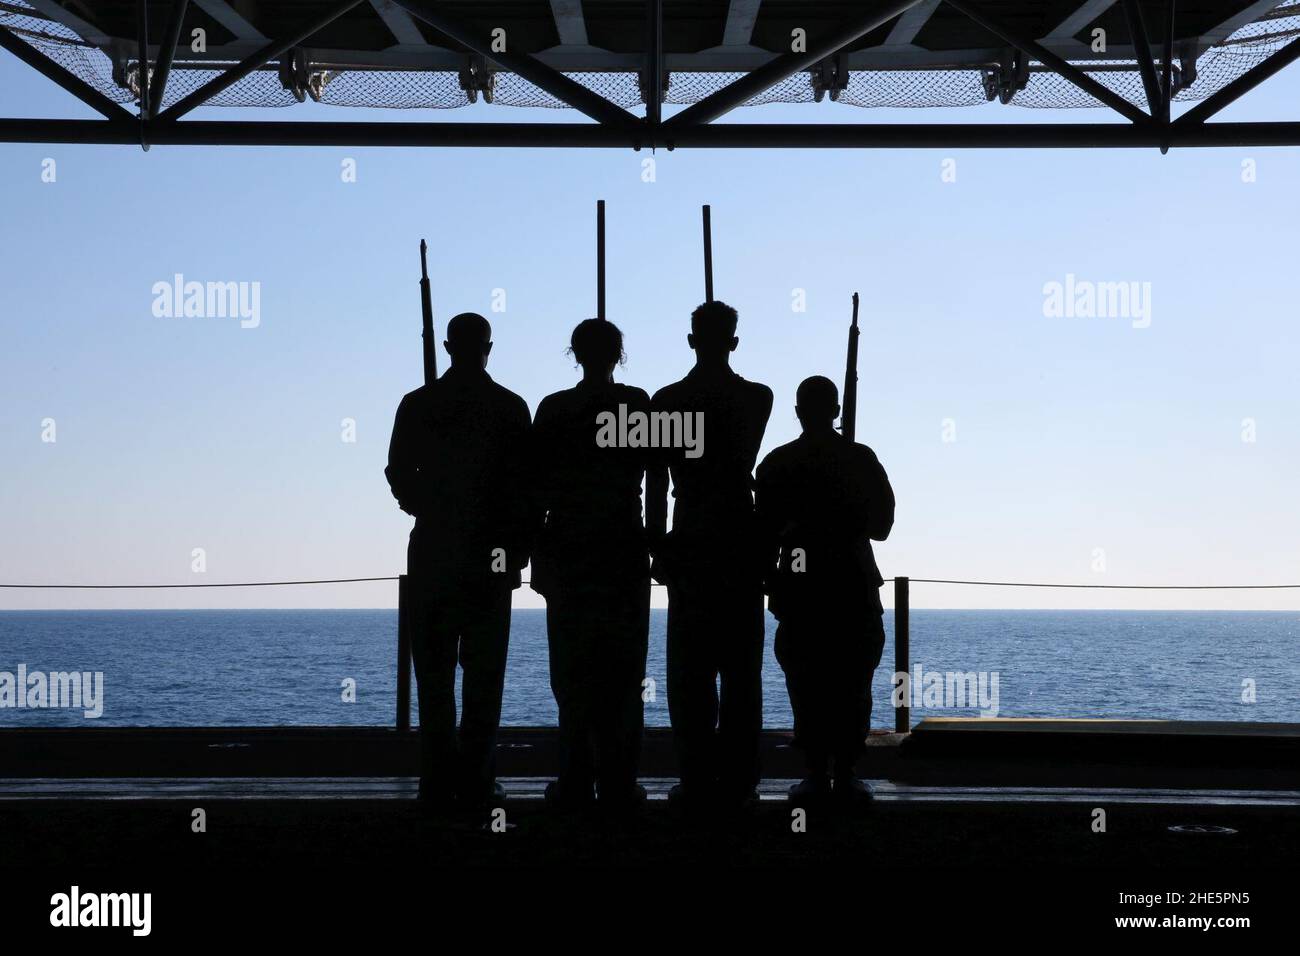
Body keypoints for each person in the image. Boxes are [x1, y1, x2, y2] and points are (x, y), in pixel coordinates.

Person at [385, 312, 533, 814]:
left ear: (447, 347)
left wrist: (430, 506)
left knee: (433, 675)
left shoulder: (419, 404)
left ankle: (436, 781)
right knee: (484, 677)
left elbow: (398, 472)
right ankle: (477, 780)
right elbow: (523, 490)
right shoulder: (510, 408)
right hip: (490, 555)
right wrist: (515, 549)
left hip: (434, 549)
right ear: (489, 346)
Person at [647, 300, 773, 814]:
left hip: (691, 533)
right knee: (742, 671)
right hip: (740, 538)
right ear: (735, 342)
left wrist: (658, 544)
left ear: (691, 339)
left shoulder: (667, 401)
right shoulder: (756, 398)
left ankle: (696, 777)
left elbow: (656, 481)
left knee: (689, 671)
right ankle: (740, 780)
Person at [755, 375, 895, 805]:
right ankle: (846, 773)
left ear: (798, 412)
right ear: (835, 411)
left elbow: (764, 536)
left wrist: (773, 583)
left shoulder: (777, 464)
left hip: (801, 592)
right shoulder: (860, 459)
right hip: (851, 586)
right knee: (853, 686)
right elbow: (882, 526)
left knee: (807, 686)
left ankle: (816, 772)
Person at [531, 319, 652, 813]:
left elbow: (533, 489)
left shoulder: (555, 409)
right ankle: (620, 781)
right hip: (623, 548)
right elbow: (655, 470)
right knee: (625, 674)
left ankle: (576, 778)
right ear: (618, 354)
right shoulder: (637, 404)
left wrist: (539, 556)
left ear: (574, 353)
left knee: (572, 674)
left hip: (568, 552)